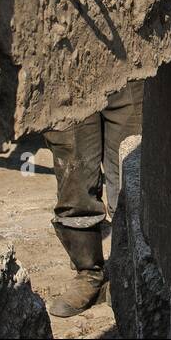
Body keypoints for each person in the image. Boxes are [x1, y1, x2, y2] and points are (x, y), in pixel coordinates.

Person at [43, 82, 143, 318]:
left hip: (129, 65)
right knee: (74, 174)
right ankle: (89, 274)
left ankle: (127, 272)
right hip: (66, 73)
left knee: (131, 170)